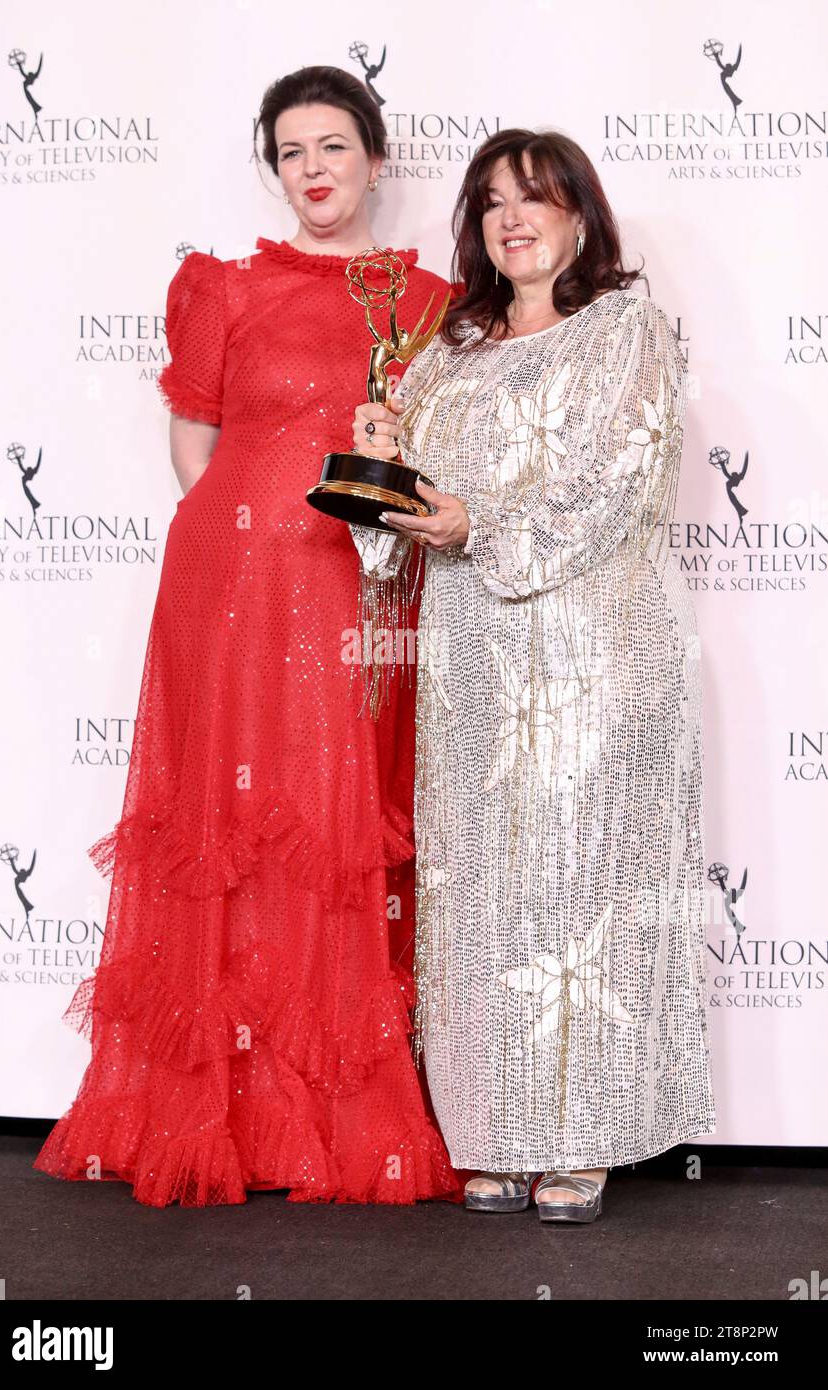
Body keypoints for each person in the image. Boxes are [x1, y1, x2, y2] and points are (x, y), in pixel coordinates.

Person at [33, 65, 459, 1208]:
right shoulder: (222, 286)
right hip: (225, 591)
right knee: (223, 823)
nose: (312, 171)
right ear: (272, 170)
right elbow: (195, 441)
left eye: (332, 146)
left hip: (355, 592)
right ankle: (208, 1108)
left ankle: (320, 1112)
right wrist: (240, 542)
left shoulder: (429, 304)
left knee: (331, 828)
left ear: (376, 157)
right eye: (290, 153)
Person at [350, 128, 717, 1222]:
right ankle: (497, 1131)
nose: (514, 219)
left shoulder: (625, 331)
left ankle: (588, 1136)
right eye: (493, 202)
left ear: (577, 218)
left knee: (582, 879)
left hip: (596, 646)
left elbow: (620, 478)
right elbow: (402, 522)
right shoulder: (443, 352)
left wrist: (478, 520)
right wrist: (378, 459)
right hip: (472, 654)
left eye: (537, 199)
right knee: (482, 894)